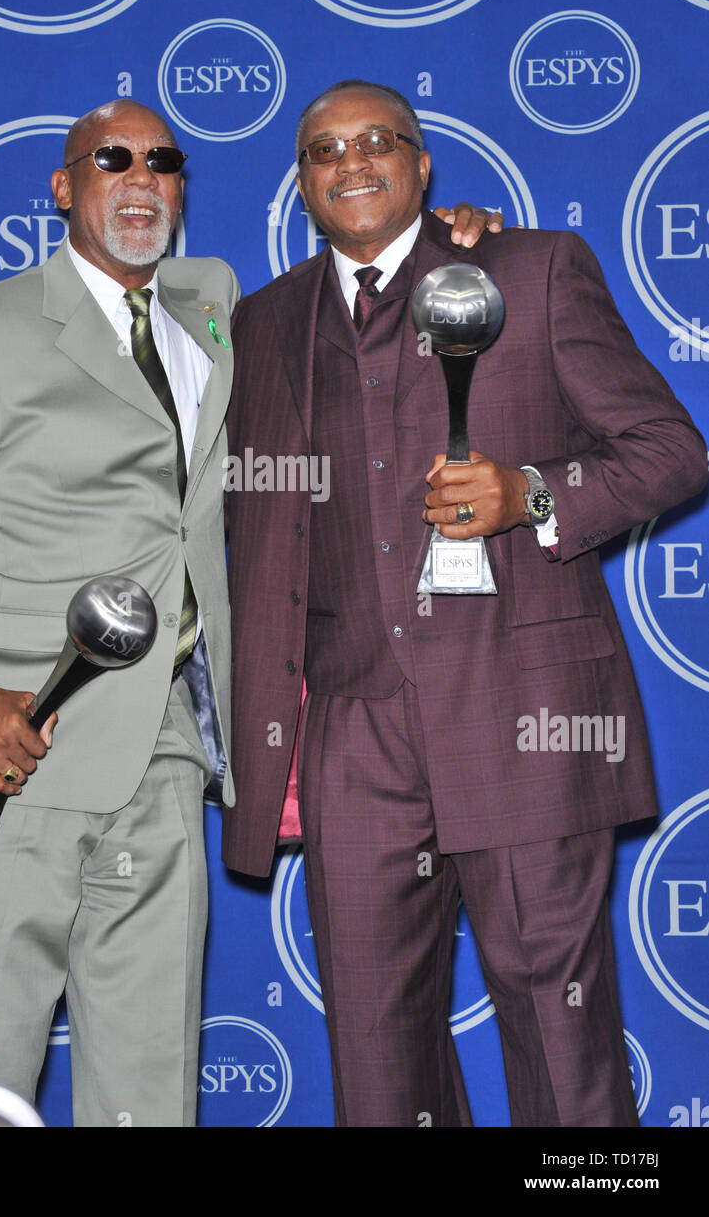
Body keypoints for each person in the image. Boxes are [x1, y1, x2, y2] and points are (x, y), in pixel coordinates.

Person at [221, 79, 708, 1127]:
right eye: (322, 150)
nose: (350, 163)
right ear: (300, 181)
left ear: (422, 163)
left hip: (518, 711)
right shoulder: (261, 324)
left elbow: (673, 450)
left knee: (562, 1041)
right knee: (374, 1056)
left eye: (376, 141)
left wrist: (531, 491)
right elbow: (252, 532)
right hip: (354, 733)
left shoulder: (529, 271)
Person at [0, 99, 240, 1127]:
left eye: (162, 161)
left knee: (150, 1093)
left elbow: (347, 300)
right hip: (13, 753)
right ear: (63, 187)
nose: (139, 177)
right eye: (109, 158)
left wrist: (451, 240)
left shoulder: (211, 308)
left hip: (164, 756)